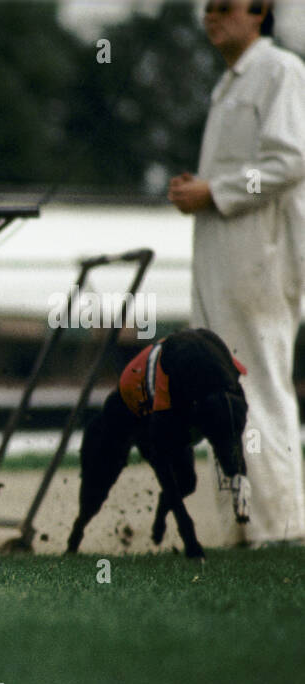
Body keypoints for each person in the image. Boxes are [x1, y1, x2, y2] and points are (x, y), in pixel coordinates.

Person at [168, 0, 305, 545]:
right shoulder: (228, 85)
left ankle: (282, 527)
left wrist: (215, 191)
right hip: (226, 263)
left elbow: (289, 161)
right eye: (208, 8)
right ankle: (245, 528)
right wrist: (204, 190)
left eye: (224, 7)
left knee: (262, 385)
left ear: (259, 10)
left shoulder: (281, 71)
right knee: (223, 389)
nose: (212, 16)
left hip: (261, 262)